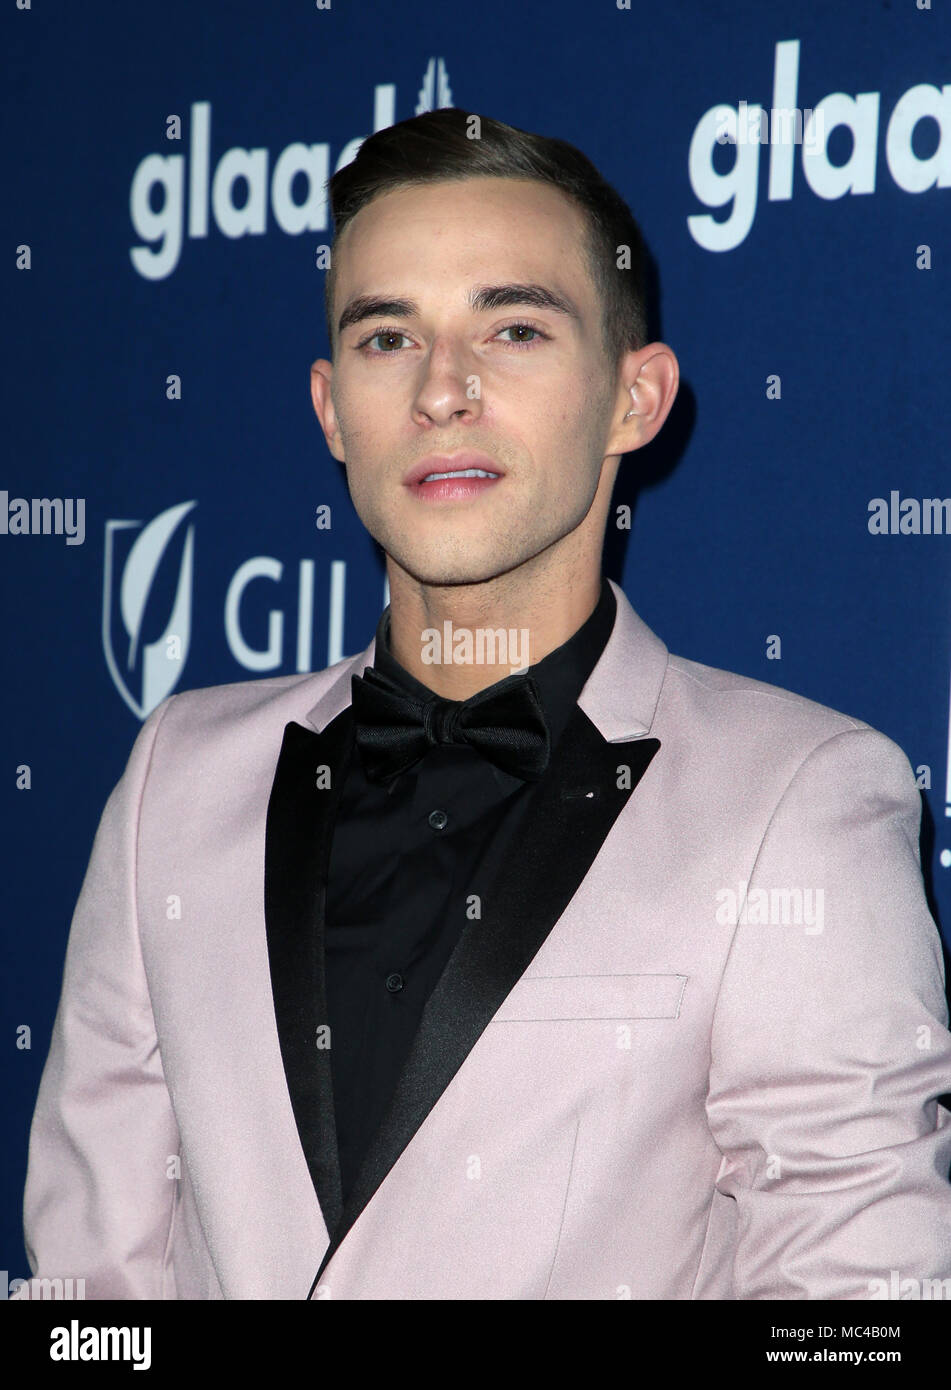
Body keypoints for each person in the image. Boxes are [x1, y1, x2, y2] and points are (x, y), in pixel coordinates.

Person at [17, 108, 951, 1300]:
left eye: (512, 328)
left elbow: (860, 1311)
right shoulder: (174, 779)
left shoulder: (798, 799)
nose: (443, 391)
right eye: (386, 337)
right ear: (328, 410)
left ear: (635, 398)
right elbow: (93, 1298)